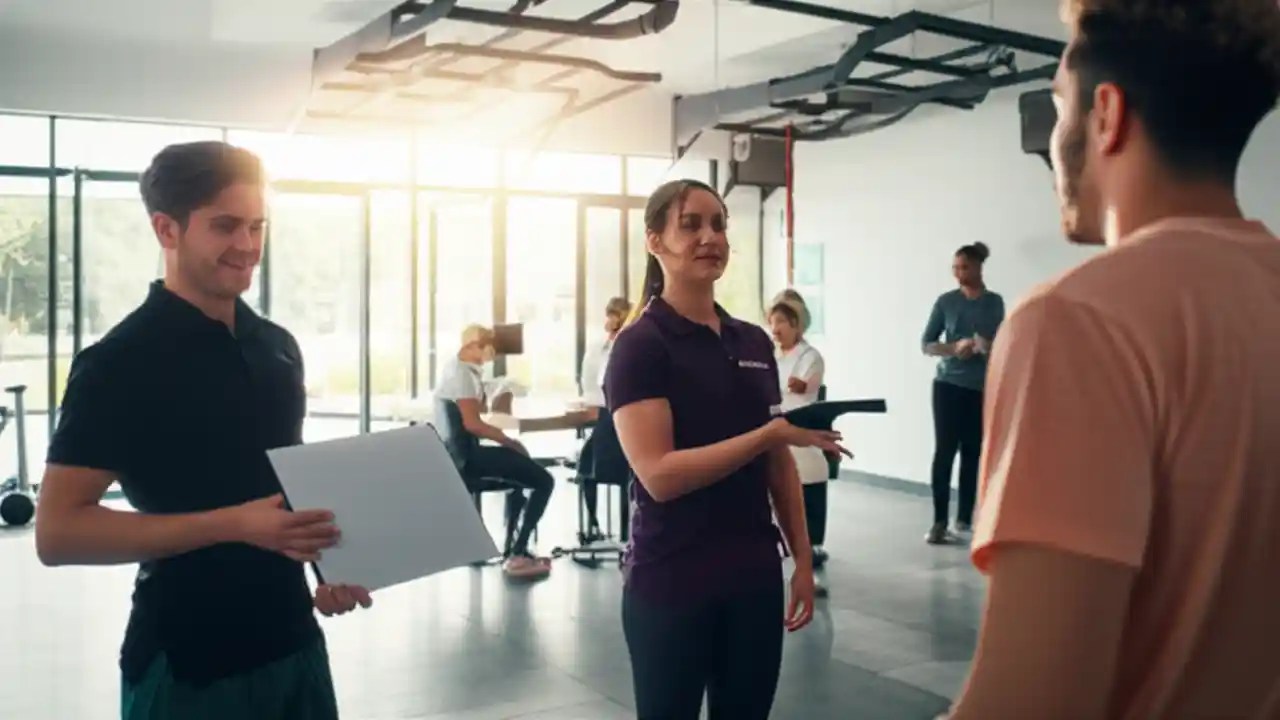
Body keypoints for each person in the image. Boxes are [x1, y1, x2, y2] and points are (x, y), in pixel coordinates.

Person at [947, 2, 1280, 718]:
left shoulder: (1075, 320)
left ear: (1106, 114)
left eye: (1058, 106)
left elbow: (1032, 705)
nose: (1053, 141)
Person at [34, 141, 371, 720]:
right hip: (188, 661)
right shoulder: (118, 363)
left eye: (256, 226)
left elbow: (282, 488)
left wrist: (330, 568)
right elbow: (58, 533)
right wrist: (232, 525)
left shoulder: (277, 348)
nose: (248, 246)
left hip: (294, 641)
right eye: (224, 226)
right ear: (166, 230)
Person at [605, 179, 848, 720]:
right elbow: (660, 476)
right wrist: (767, 435)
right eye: (690, 224)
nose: (710, 236)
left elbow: (778, 465)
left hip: (752, 577)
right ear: (655, 241)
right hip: (672, 580)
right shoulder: (640, 345)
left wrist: (802, 559)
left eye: (718, 224)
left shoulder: (752, 341)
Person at [435, 324, 555, 579]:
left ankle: (515, 548)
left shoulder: (457, 370)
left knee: (521, 477)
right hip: (468, 460)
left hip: (459, 456)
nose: (492, 352)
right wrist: (510, 442)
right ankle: (517, 553)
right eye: (488, 346)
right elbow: (473, 424)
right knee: (544, 480)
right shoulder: (463, 375)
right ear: (472, 346)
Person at [920, 242, 1004, 544]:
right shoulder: (946, 302)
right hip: (948, 386)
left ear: (979, 267)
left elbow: (1003, 344)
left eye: (964, 267)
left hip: (980, 387)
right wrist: (954, 348)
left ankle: (964, 519)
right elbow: (927, 344)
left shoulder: (994, 303)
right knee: (945, 451)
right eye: (955, 268)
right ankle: (939, 521)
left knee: (973, 453)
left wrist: (986, 346)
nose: (958, 273)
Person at [766, 292, 831, 578]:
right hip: (774, 429)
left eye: (781, 322)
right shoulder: (771, 356)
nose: (775, 328)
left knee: (809, 479)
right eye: (772, 322)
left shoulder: (809, 356)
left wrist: (799, 385)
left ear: (796, 325)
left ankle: (811, 550)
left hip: (801, 431)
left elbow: (804, 387)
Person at [577, 296, 633, 539]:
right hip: (607, 419)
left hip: (616, 424)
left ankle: (606, 529)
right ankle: (597, 528)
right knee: (587, 463)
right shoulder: (599, 348)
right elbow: (589, 383)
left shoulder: (629, 347)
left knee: (587, 466)